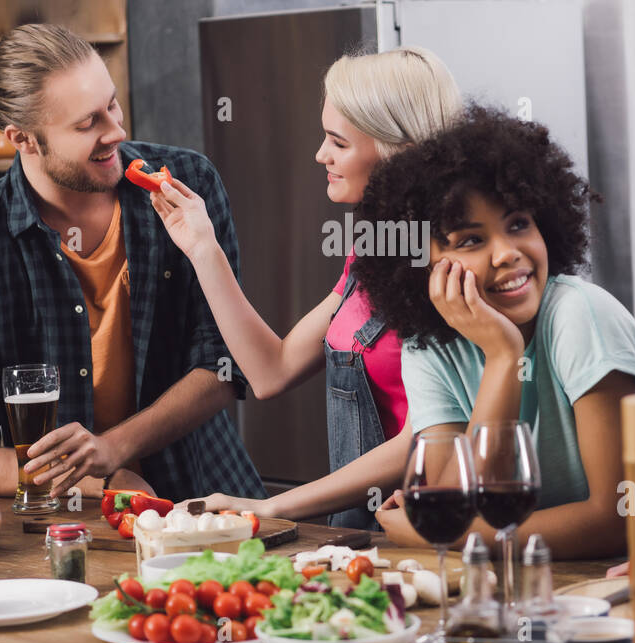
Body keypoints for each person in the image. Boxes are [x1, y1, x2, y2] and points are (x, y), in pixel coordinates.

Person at [356, 105, 635, 558]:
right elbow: (459, 506)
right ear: (423, 265)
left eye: (518, 224)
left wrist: (444, 534)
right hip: (560, 581)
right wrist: (502, 357)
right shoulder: (428, 350)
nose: (507, 253)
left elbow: (617, 519)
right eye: (472, 240)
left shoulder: (580, 315)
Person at [0, 23, 263, 503]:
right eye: (88, 124)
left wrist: (113, 448)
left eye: (113, 105)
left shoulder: (188, 182)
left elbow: (226, 363)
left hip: (210, 498)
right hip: (72, 526)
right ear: (23, 139)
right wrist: (102, 480)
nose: (116, 132)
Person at [154, 48, 462, 528]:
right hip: (365, 528)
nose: (321, 155)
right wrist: (202, 247)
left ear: (396, 152)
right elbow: (269, 370)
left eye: (337, 142)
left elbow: (430, 434)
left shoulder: (450, 265)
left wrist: (275, 505)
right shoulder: (371, 253)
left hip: (427, 526)